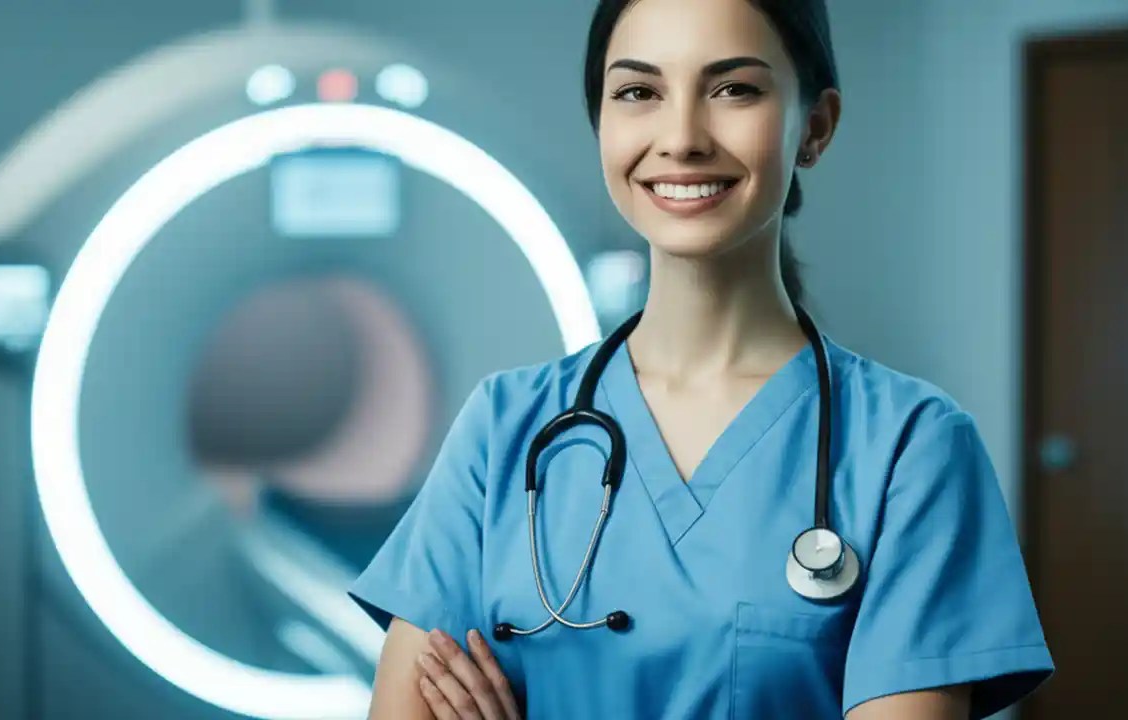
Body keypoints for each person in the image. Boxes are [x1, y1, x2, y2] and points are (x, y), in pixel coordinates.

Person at [347, 0, 1055, 717]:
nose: (681, 138)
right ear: (603, 123)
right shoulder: (504, 429)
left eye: (734, 89)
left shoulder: (910, 448)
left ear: (815, 126)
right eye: (638, 93)